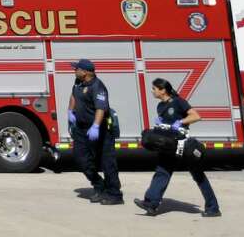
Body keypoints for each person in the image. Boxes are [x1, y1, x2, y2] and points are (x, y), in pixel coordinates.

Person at [134, 78, 221, 218]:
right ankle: (151, 204)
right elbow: (164, 125)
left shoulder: (179, 102)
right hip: (169, 146)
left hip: (184, 146)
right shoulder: (160, 106)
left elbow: (196, 116)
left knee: (198, 176)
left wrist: (180, 122)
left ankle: (213, 208)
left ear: (163, 90)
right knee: (162, 172)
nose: (152, 91)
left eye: (154, 88)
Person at [68, 58, 122, 205]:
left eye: (76, 69)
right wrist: (70, 111)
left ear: (85, 72)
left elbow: (101, 108)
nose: (74, 70)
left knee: (107, 162)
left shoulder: (98, 86)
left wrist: (96, 126)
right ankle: (99, 185)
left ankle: (115, 194)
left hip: (100, 129)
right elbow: (74, 95)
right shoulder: (78, 83)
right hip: (80, 128)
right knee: (81, 160)